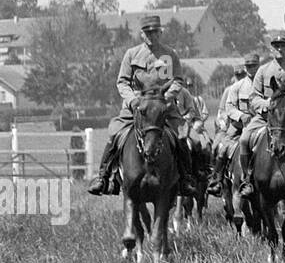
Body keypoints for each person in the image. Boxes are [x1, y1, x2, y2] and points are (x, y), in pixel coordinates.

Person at [88, 14, 194, 196]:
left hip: (164, 107)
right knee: (115, 133)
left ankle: (185, 179)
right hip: (137, 106)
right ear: (142, 35)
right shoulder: (132, 54)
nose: (152, 36)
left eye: (155, 32)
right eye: (148, 33)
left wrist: (168, 96)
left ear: (160, 33)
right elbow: (122, 82)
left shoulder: (171, 54)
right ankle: (105, 177)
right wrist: (133, 100)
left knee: (182, 136)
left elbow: (178, 80)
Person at [236, 33, 285, 200]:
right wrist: (268, 105)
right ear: (271, 48)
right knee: (244, 139)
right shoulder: (263, 71)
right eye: (276, 45)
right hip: (266, 118)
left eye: (283, 45)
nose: (279, 48)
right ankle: (248, 181)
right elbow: (253, 97)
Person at [207, 52, 260, 194]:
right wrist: (241, 116)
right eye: (248, 66)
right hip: (238, 127)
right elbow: (228, 108)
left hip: (260, 126)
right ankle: (216, 180)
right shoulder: (235, 88)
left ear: (258, 66)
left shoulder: (265, 86)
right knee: (222, 147)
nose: (251, 69)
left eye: (254, 65)